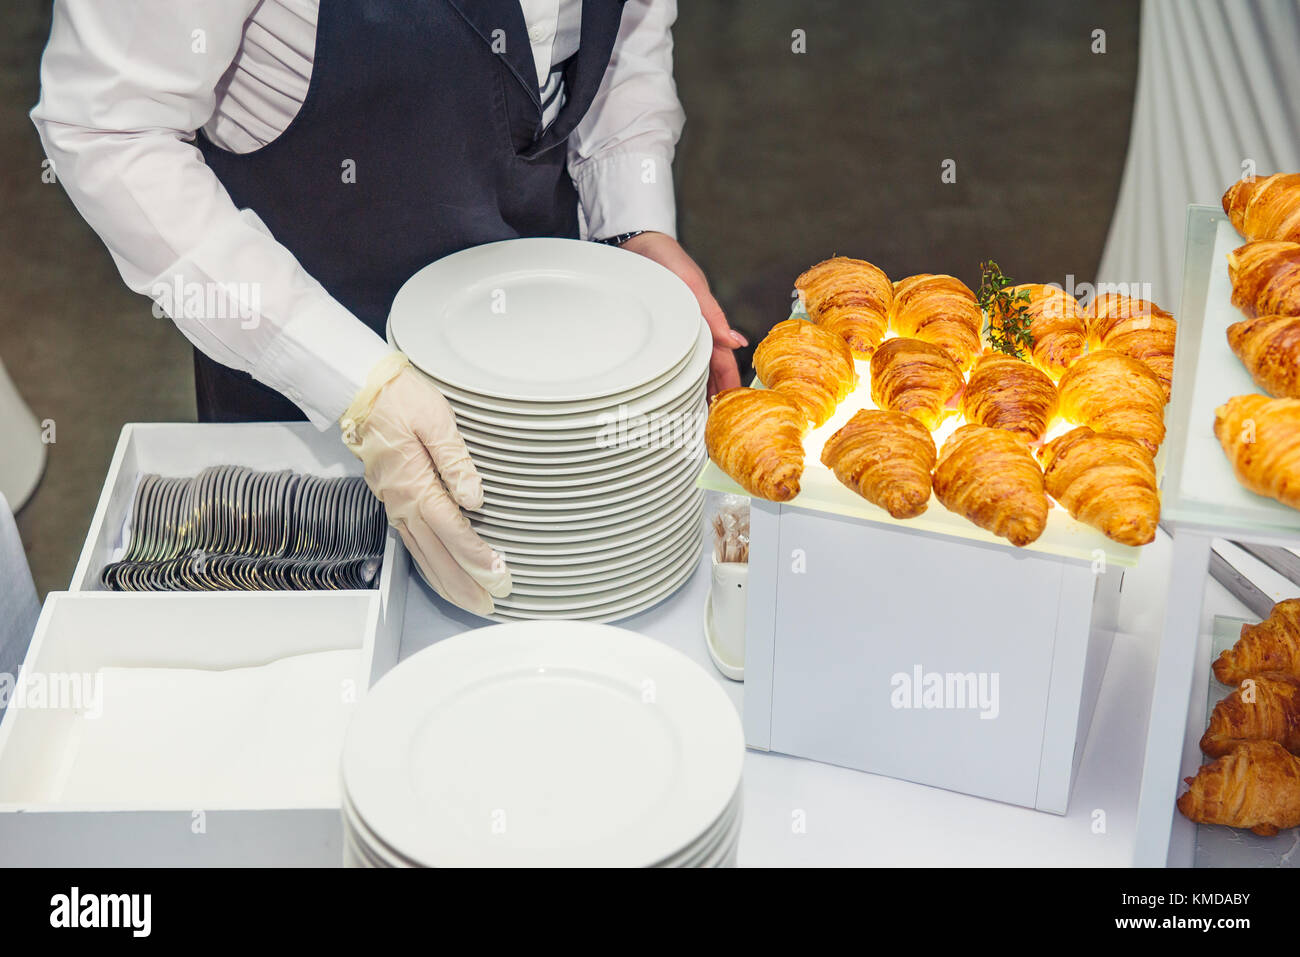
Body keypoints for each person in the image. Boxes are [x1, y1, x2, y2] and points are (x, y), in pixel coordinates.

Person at [32, 0, 745, 616]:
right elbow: (107, 129)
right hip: (303, 388)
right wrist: (355, 386)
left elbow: (621, 30)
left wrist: (632, 221)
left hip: (548, 352)